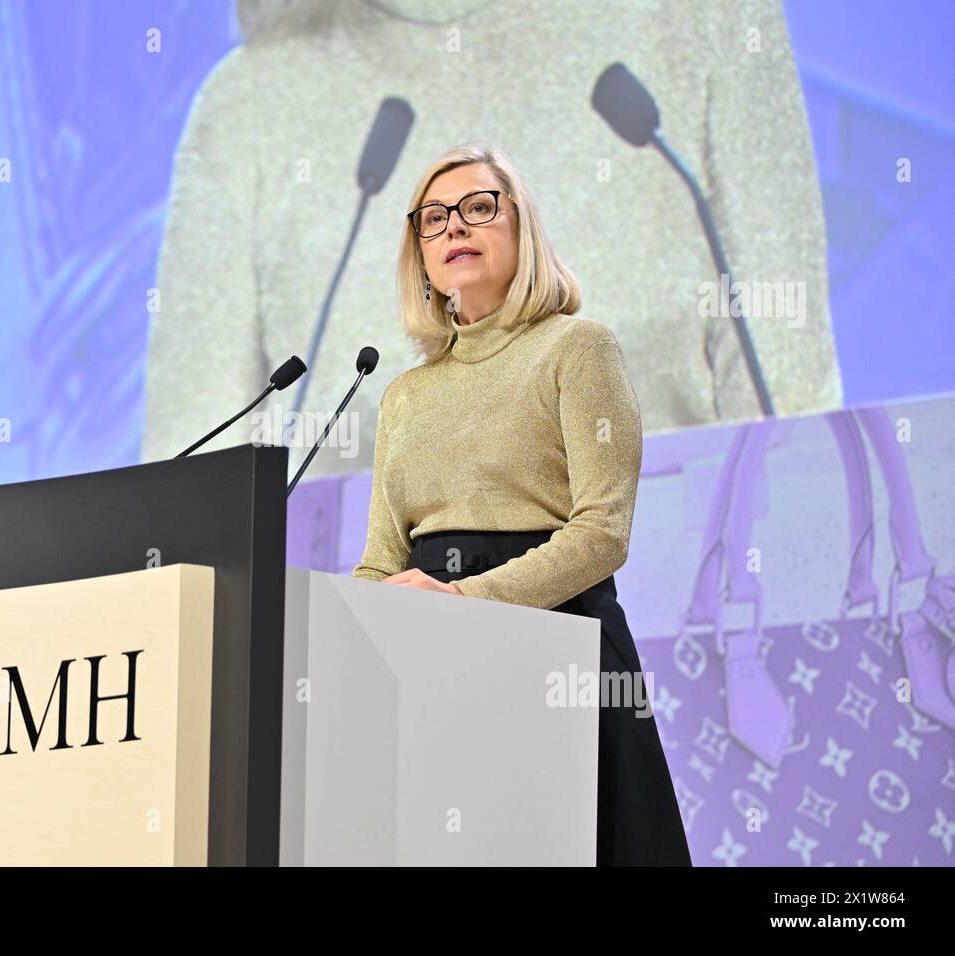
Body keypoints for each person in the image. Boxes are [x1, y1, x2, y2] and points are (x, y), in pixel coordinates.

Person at [144, 0, 842, 480]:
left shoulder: (705, 24)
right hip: (356, 669)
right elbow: (182, 526)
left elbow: (798, 447)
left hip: (671, 661)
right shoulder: (247, 108)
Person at [353, 144, 692, 866]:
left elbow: (603, 532)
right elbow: (382, 562)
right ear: (417, 251)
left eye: (479, 208)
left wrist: (464, 601)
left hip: (558, 643)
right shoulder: (402, 396)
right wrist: (347, 634)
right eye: (434, 219)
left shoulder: (578, 348)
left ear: (522, 227)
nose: (454, 228)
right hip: (436, 666)